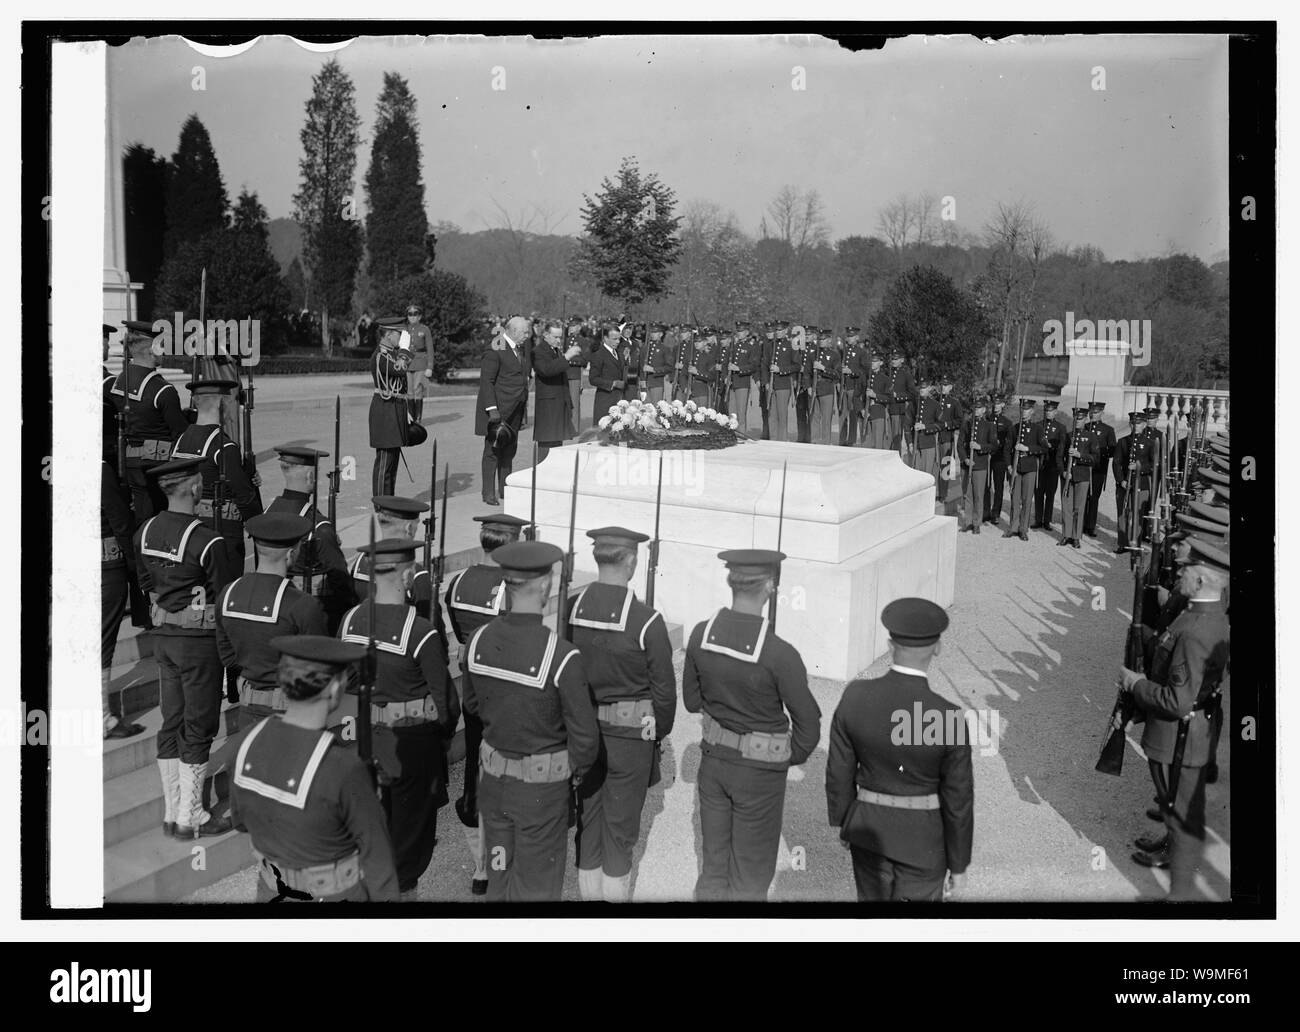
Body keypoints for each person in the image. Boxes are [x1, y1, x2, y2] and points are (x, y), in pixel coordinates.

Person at [460, 540, 600, 902]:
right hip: (540, 793)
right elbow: (585, 740)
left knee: (500, 879)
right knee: (537, 891)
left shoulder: (477, 641)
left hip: (493, 785)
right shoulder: (562, 656)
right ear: (546, 585)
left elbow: (473, 705)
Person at [683, 549, 821, 901]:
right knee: (750, 877)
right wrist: (781, 758)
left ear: (732, 582)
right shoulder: (780, 653)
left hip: (714, 764)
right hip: (759, 775)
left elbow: (692, 702)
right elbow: (809, 725)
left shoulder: (701, 634)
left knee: (713, 870)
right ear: (770, 587)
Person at [230, 635, 400, 902]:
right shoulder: (343, 768)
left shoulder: (247, 740)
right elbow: (378, 861)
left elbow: (240, 821)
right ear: (334, 690)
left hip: (271, 891)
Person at [825, 597, 973, 901]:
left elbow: (838, 768)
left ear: (891, 645)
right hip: (924, 844)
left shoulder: (855, 696)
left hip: (867, 831)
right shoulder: (947, 716)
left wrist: (844, 820)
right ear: (938, 648)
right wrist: (958, 866)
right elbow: (958, 799)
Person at [338, 538, 457, 901]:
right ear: (407, 576)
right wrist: (440, 740)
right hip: (410, 744)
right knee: (407, 849)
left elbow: (348, 679)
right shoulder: (420, 632)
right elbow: (445, 703)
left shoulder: (351, 620)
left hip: (365, 740)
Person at [567, 527, 677, 902]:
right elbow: (664, 693)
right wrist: (658, 731)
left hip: (585, 734)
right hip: (631, 740)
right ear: (631, 561)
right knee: (621, 831)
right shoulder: (647, 621)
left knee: (589, 822)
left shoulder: (572, 610)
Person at [134, 457, 236, 838]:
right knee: (199, 724)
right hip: (198, 644)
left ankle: (173, 810)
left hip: (164, 640)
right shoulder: (207, 540)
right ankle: (191, 814)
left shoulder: (144, 532)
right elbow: (223, 597)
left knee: (171, 720)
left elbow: (145, 580)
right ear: (194, 488)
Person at [1118, 561, 1230, 899]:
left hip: (1178, 737)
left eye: (1185, 570)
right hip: (1187, 734)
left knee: (1182, 819)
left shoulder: (1196, 629)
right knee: (1176, 809)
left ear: (1199, 580)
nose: (1178, 572)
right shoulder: (1201, 616)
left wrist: (1137, 686)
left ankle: (1180, 898)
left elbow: (1178, 701)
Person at [443, 512, 529, 895]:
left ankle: (481, 866)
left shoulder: (458, 582)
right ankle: (496, 858)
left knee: (477, 766)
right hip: (502, 686)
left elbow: (459, 630)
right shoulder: (511, 588)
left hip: (471, 684)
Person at [216, 513, 328, 730]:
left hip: (248, 709)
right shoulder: (302, 605)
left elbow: (227, 656)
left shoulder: (228, 594)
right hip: (294, 713)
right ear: (290, 554)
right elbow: (320, 667)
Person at [171, 378, 263, 571]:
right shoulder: (224, 446)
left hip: (185, 525)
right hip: (221, 529)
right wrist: (260, 528)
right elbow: (244, 496)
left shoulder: (181, 439)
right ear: (223, 403)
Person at [109, 320, 190, 524]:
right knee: (160, 520)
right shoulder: (163, 390)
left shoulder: (116, 383)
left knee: (141, 518)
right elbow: (181, 435)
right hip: (158, 467)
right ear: (152, 350)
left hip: (129, 464)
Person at [266, 446, 353, 634]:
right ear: (310, 477)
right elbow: (341, 581)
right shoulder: (318, 526)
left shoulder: (268, 514)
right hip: (313, 613)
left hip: (272, 605)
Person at [102, 458, 144, 740]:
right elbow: (118, 518)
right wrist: (135, 563)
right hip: (104, 565)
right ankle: (103, 717)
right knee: (102, 644)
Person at [476, 316, 531, 505]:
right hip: (499, 409)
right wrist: (492, 409)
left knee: (509, 448)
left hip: (516, 408)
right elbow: (487, 381)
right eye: (525, 332)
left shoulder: (518, 349)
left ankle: (504, 488)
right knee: (492, 450)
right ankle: (488, 492)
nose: (527, 335)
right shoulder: (495, 348)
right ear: (513, 330)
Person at [369, 317, 412, 498]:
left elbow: (402, 378)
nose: (401, 337)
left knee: (393, 462)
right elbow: (400, 369)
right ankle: (381, 503)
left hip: (395, 408)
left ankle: (389, 500)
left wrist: (407, 410)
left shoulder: (392, 354)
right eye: (398, 333)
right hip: (385, 410)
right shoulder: (380, 355)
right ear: (387, 334)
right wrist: (404, 350)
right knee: (385, 461)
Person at [530, 319, 583, 463]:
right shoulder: (538, 351)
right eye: (556, 337)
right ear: (546, 335)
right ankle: (541, 478)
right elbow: (546, 370)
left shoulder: (555, 350)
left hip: (560, 403)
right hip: (548, 406)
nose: (559, 340)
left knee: (557, 446)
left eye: (560, 337)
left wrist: (569, 403)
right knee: (546, 447)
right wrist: (566, 356)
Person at [1002, 398, 1047, 542]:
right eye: (1022, 409)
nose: (1024, 412)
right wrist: (1009, 466)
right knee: (1015, 500)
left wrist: (1027, 449)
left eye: (1027, 409)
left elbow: (1044, 448)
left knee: (1027, 500)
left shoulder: (1037, 429)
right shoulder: (1014, 428)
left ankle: (1023, 529)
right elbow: (1006, 449)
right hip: (1016, 468)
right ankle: (1013, 527)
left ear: (1032, 411)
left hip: (1029, 468)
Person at [1057, 405, 1096, 549]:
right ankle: (1066, 534)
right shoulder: (1067, 436)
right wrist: (1063, 472)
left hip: (1083, 476)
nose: (1077, 421)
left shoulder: (1091, 437)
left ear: (1085, 419)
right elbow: (1059, 456)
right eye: (1075, 418)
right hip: (1068, 476)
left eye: (1080, 419)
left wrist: (1080, 455)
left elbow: (1095, 458)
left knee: (1078, 507)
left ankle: (1076, 536)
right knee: (1066, 506)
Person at [959, 396, 997, 535]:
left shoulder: (989, 426)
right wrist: (965, 459)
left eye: (979, 408)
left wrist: (979, 446)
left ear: (984, 410)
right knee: (967, 494)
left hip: (980, 465)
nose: (977, 410)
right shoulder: (967, 424)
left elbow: (993, 446)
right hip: (967, 464)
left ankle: (976, 523)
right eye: (975, 407)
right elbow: (960, 444)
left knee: (978, 495)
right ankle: (968, 521)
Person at [1082, 401, 1117, 538]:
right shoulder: (1084, 427)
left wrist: (1099, 453)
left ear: (1102, 413)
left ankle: (1090, 526)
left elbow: (1112, 450)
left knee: (1094, 497)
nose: (1092, 415)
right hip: (1084, 467)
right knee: (1083, 496)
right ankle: (1081, 524)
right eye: (1091, 412)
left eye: (1095, 412)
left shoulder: (1108, 430)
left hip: (1098, 468)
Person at [1032, 399, 1067, 531]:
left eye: (1051, 410)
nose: (1048, 412)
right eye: (1046, 410)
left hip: (1052, 464)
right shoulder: (1038, 425)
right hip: (1039, 464)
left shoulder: (1060, 427)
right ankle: (1038, 519)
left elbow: (1062, 445)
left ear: (1055, 412)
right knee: (1039, 492)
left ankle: (1047, 520)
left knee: (1050, 493)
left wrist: (1052, 446)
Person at [984, 395, 1013, 525]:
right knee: (986, 485)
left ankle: (996, 513)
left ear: (1002, 405)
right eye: (994, 403)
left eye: (998, 403)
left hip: (999, 457)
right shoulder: (987, 419)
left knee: (998, 486)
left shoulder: (1007, 423)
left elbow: (1008, 443)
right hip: (986, 456)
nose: (996, 406)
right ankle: (985, 511)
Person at [807, 328, 840, 445]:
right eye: (819, 339)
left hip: (827, 388)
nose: (821, 341)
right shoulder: (812, 355)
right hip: (815, 387)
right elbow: (807, 373)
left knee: (826, 417)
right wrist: (809, 387)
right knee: (814, 416)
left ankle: (826, 441)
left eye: (823, 339)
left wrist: (823, 368)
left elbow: (837, 374)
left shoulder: (834, 355)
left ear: (829, 340)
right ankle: (814, 440)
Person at [403, 303, 434, 421]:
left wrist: (430, 367)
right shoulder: (404, 330)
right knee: (409, 392)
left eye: (415, 314)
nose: (412, 316)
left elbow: (430, 349)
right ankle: (411, 419)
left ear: (420, 316)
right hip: (407, 363)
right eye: (410, 314)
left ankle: (418, 419)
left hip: (421, 363)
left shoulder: (425, 329)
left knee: (418, 390)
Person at [886, 349, 918, 458]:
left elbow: (912, 394)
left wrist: (898, 396)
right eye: (892, 359)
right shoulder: (888, 373)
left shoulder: (906, 375)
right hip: (887, 408)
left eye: (896, 359)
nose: (893, 361)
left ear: (902, 360)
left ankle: (895, 459)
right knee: (887, 437)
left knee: (896, 438)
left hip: (898, 410)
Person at [838, 327, 868, 446]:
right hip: (843, 386)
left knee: (853, 414)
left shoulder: (861, 352)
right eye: (848, 336)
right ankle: (842, 439)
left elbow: (864, 370)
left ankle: (851, 439)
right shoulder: (843, 351)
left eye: (851, 336)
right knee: (842, 413)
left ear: (857, 338)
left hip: (853, 386)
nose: (849, 338)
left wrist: (852, 372)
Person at [727, 321, 758, 431]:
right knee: (732, 413)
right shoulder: (733, 346)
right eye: (738, 331)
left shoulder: (751, 347)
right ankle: (732, 434)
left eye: (741, 331)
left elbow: (753, 366)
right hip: (732, 383)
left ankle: (741, 435)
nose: (739, 333)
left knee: (741, 413)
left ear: (746, 332)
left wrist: (739, 368)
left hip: (742, 383)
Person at [913, 383, 941, 487]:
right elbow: (907, 423)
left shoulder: (935, 405)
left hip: (928, 444)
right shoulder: (914, 403)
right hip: (916, 444)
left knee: (927, 476)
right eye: (921, 387)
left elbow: (940, 425)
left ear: (929, 388)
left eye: (924, 387)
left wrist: (925, 427)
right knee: (916, 475)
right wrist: (910, 443)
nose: (922, 390)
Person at [642, 323, 674, 406]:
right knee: (644, 409)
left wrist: (653, 370)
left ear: (661, 334)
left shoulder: (665, 349)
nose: (652, 334)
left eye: (655, 332)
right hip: (644, 383)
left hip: (657, 383)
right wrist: (642, 381)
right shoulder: (645, 347)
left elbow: (669, 367)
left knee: (655, 408)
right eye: (651, 332)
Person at [565, 319, 589, 425]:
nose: (571, 327)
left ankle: (574, 426)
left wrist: (570, 360)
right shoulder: (564, 340)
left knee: (574, 402)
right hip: (563, 373)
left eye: (574, 326)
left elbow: (584, 359)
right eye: (570, 326)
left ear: (579, 327)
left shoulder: (583, 341)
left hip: (574, 374)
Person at [865, 351, 889, 450]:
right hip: (866, 412)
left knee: (878, 444)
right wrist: (862, 410)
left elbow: (889, 398)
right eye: (872, 361)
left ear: (881, 363)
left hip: (878, 412)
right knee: (867, 444)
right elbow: (857, 395)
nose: (873, 363)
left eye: (875, 361)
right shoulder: (866, 377)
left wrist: (875, 395)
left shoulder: (885, 379)